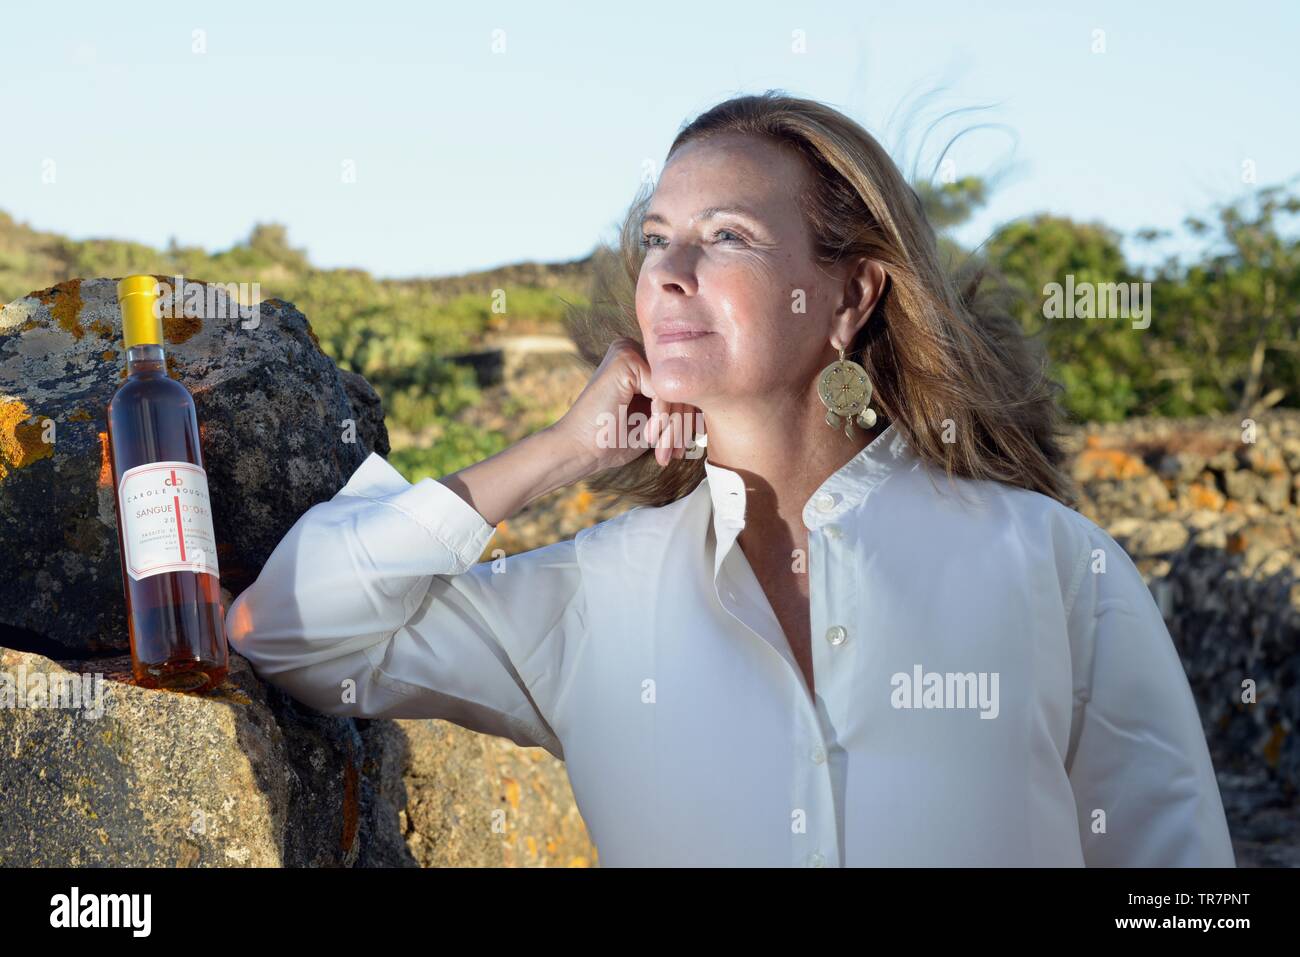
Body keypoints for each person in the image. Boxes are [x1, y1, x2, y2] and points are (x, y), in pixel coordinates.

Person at [225, 91, 1236, 868]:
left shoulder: (1050, 563)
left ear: (849, 295)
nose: (669, 271)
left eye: (726, 238)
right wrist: (558, 452)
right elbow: (287, 630)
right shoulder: (586, 598)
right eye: (657, 240)